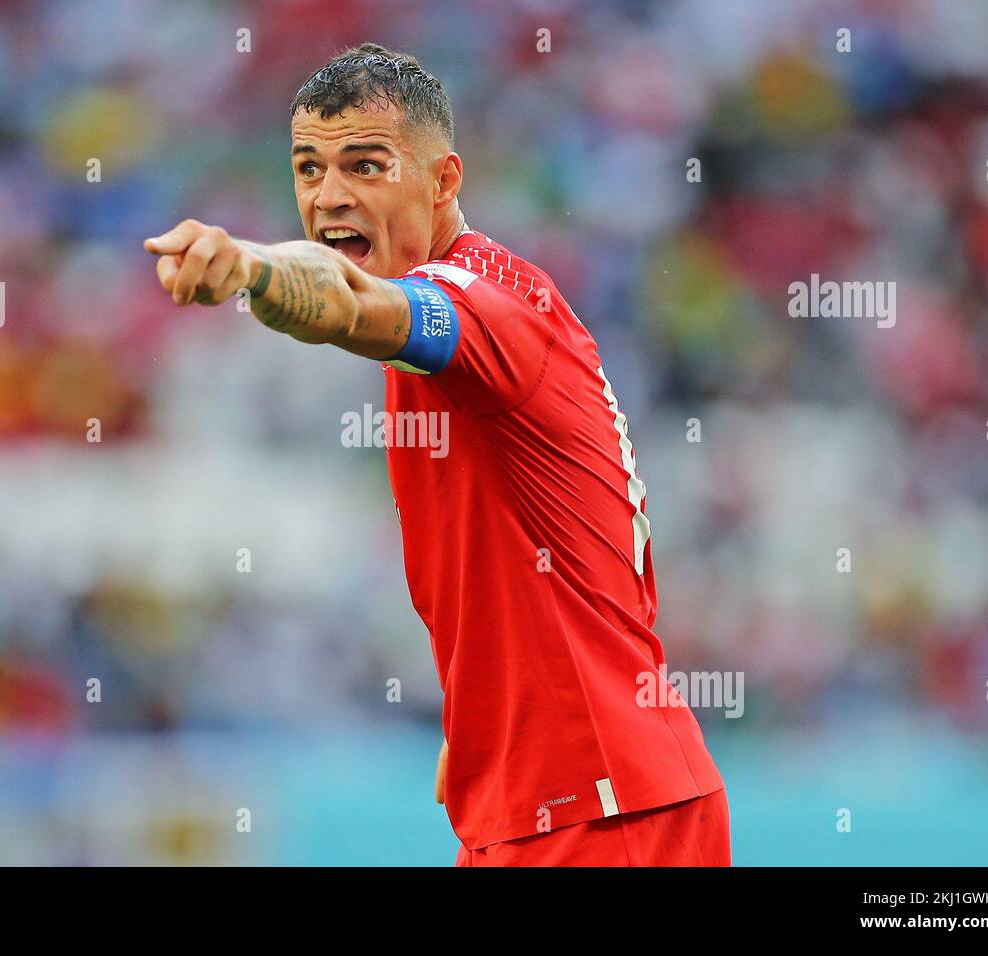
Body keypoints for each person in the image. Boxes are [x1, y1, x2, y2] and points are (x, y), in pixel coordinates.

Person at [144, 43, 729, 866]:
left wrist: (249, 268)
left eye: (366, 165)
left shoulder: (481, 307)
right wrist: (492, 715)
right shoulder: (457, 328)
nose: (329, 195)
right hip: (547, 798)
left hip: (601, 811)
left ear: (444, 181)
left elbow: (349, 304)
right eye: (308, 169)